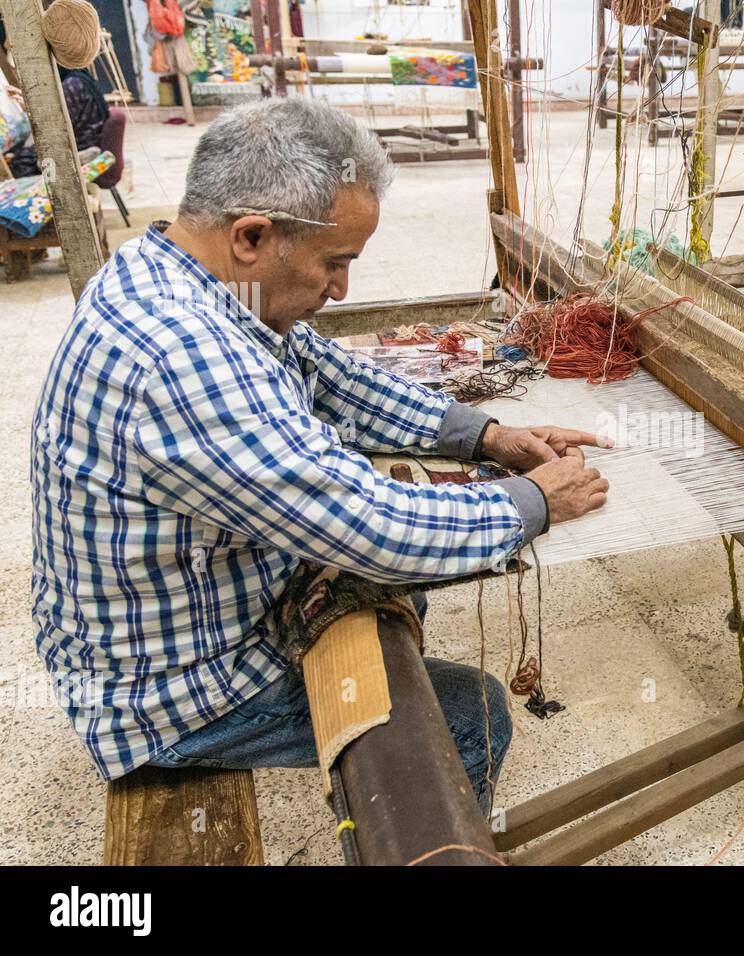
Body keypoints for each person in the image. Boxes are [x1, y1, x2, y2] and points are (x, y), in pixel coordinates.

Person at [30, 98, 609, 813]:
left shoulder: (189, 277)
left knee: (401, 590)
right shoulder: (179, 354)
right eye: (333, 263)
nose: (341, 289)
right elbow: (373, 529)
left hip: (180, 620)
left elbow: (331, 377)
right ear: (252, 235)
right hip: (171, 692)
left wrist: (487, 437)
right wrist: (537, 502)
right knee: (472, 714)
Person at [3, 65, 108, 176]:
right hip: (90, 138)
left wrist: (30, 110)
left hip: (80, 144)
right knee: (24, 154)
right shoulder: (80, 77)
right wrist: (30, 104)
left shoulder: (71, 85)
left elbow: (56, 125)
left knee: (21, 160)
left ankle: (51, 189)